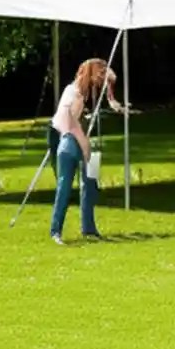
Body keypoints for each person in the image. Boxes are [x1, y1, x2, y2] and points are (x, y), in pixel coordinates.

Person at [49, 58, 126, 245]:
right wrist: (83, 143)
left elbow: (110, 84)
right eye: (99, 73)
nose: (100, 78)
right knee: (65, 186)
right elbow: (68, 119)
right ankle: (56, 231)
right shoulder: (72, 91)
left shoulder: (84, 92)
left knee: (90, 183)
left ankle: (88, 228)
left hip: (81, 140)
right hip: (70, 141)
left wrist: (111, 90)